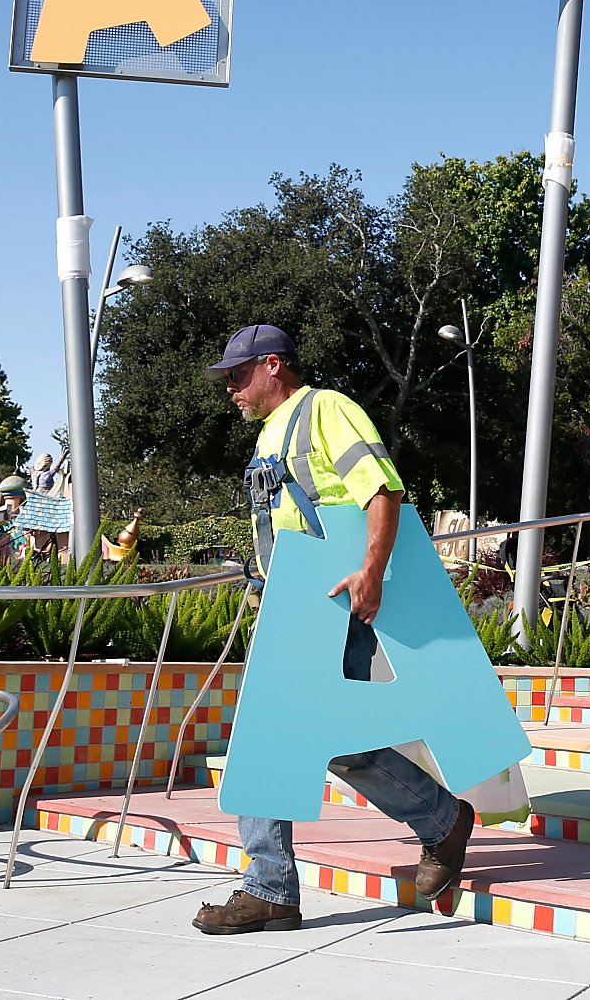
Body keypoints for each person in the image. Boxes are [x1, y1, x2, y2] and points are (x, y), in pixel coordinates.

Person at [191, 323, 473, 937]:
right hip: (291, 606)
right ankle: (441, 821)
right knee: (336, 739)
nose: (230, 390)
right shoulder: (271, 433)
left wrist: (371, 573)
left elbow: (382, 490)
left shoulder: (326, 410)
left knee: (273, 734)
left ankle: (270, 890)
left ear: (272, 366)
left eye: (237, 376)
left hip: (330, 603)